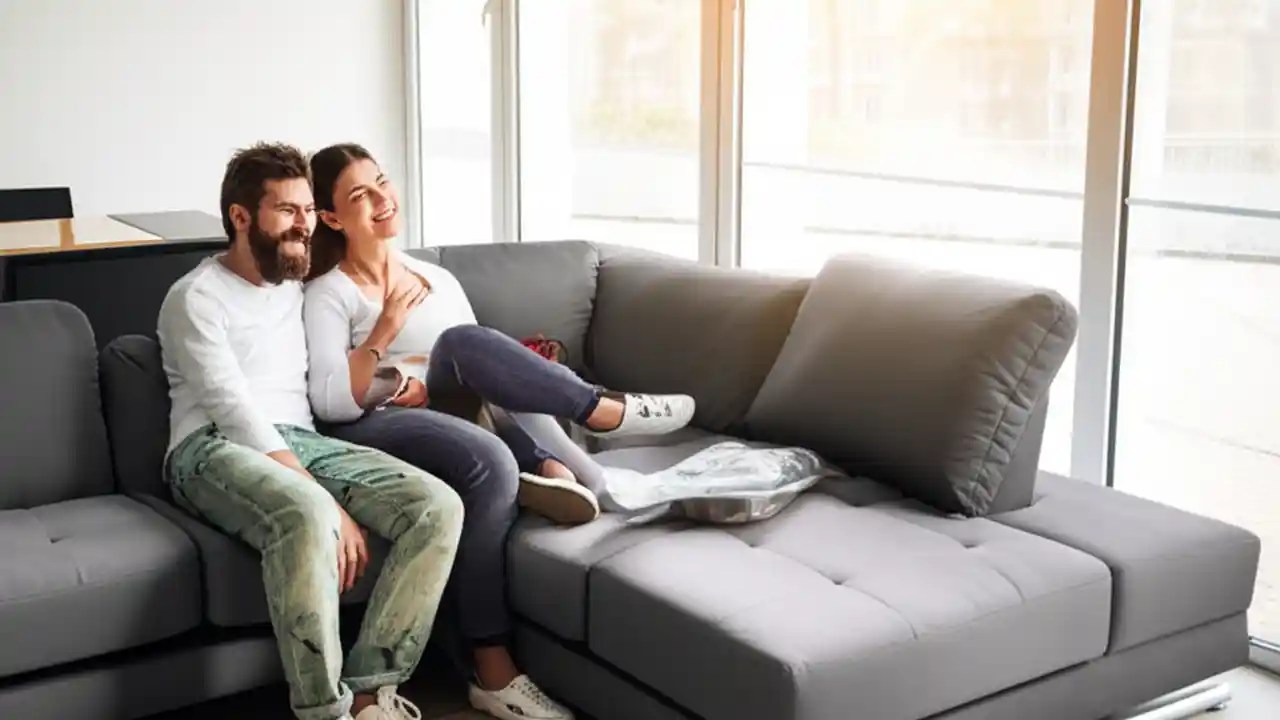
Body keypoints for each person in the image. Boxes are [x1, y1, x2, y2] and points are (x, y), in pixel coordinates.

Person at [302, 143, 696, 720]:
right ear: (332, 217)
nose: (382, 199)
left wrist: (427, 379)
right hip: (374, 426)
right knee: (487, 450)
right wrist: (387, 335)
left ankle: (557, 458)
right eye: (360, 194)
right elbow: (330, 402)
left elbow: (479, 372)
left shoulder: (436, 279)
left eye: (382, 182)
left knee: (468, 348)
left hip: (451, 410)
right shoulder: (328, 292)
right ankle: (590, 424)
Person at [157, 142, 464, 720]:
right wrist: (324, 498)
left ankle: (372, 692)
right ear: (240, 217)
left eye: (306, 210)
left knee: (437, 506)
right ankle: (324, 711)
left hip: (302, 441)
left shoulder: (297, 286)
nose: (302, 224)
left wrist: (407, 375)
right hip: (211, 448)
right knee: (307, 513)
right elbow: (234, 410)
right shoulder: (194, 298)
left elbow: (343, 361)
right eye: (286, 211)